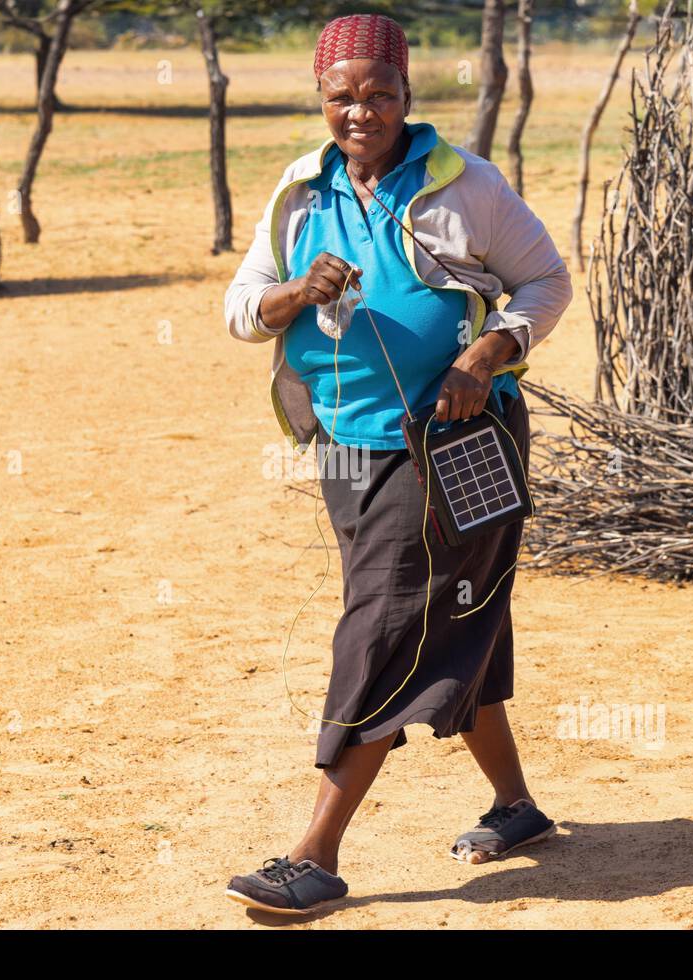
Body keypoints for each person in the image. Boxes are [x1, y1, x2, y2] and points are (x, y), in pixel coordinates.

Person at [221, 13, 573, 916]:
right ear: (322, 102)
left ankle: (316, 853)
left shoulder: (466, 185)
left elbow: (545, 281)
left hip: (455, 447)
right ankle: (517, 808)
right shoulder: (300, 192)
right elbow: (241, 306)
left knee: (382, 625)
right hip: (346, 448)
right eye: (344, 97)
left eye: (380, 94)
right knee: (450, 614)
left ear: (408, 96)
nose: (361, 111)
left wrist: (485, 353)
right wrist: (296, 293)